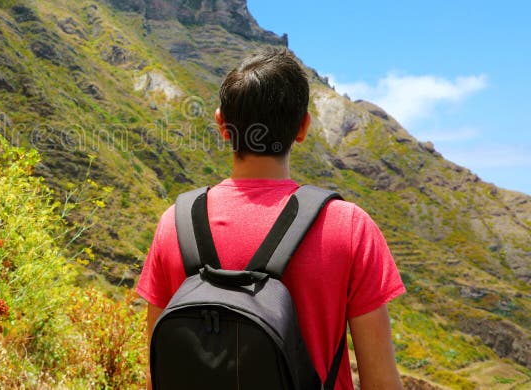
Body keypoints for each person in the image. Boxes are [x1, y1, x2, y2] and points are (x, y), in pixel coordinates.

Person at [136, 48, 406, 389]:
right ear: (303, 127)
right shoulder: (349, 226)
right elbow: (380, 382)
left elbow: (155, 375)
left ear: (221, 124)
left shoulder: (174, 223)